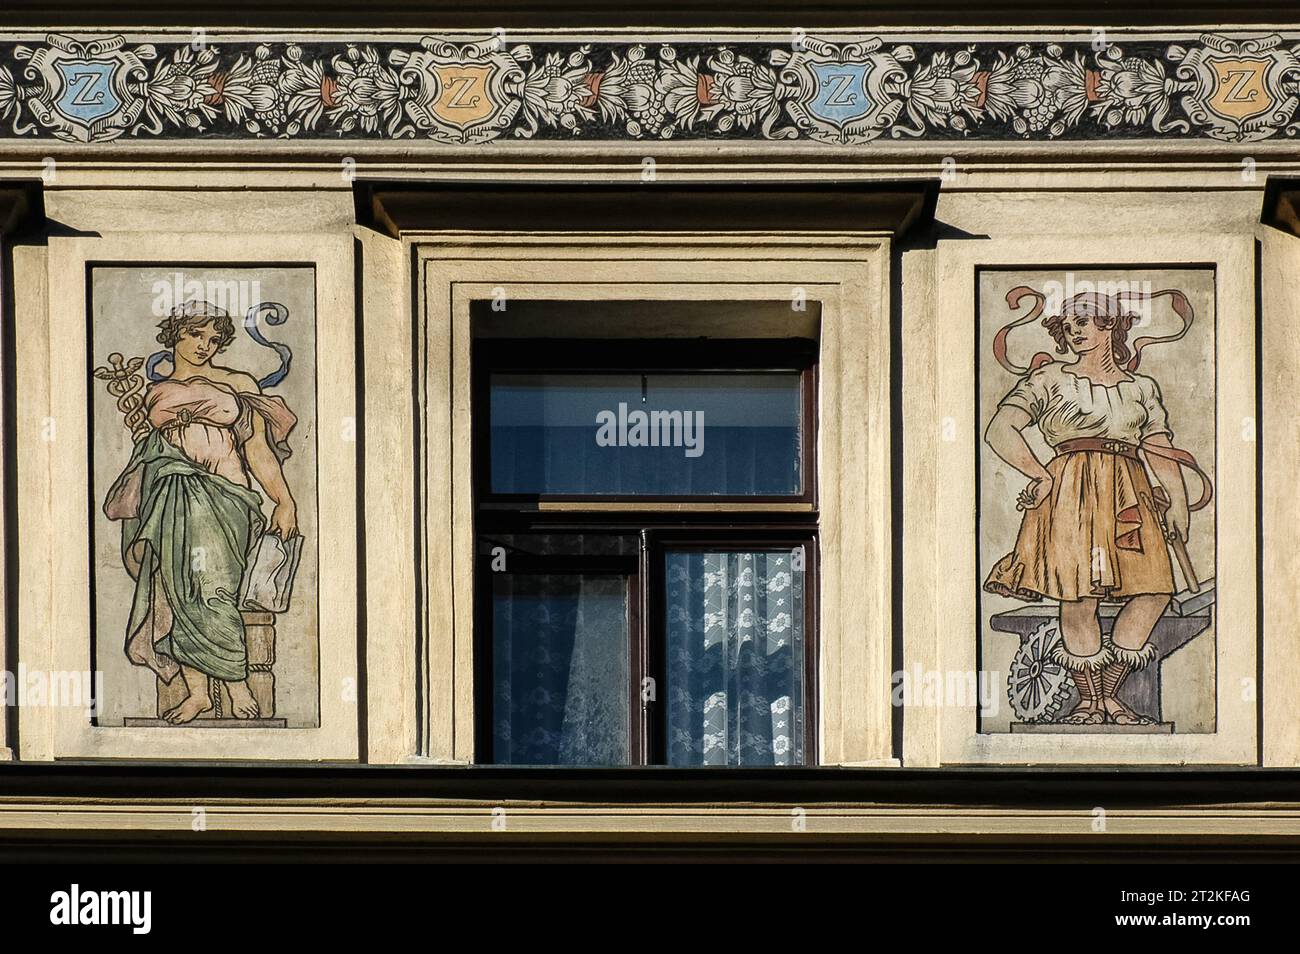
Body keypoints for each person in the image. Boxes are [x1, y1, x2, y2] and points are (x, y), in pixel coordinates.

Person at [983, 290, 1200, 726]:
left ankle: (1109, 695)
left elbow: (1159, 448)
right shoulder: (1049, 381)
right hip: (1072, 493)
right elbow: (1000, 429)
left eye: (1084, 322)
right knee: (1078, 596)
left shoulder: (1140, 387)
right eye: (1069, 326)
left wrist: (1178, 503)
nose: (1075, 332)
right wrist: (1040, 474)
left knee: (1155, 590)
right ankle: (1093, 704)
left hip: (1129, 493)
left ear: (1110, 326)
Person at [104, 300, 298, 724]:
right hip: (171, 495)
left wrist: (284, 500)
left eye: (213, 339)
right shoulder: (153, 389)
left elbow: (257, 449)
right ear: (175, 334)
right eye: (195, 334)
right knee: (176, 589)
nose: (204, 346)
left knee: (214, 587)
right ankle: (198, 693)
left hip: (226, 498)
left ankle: (235, 683)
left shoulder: (238, 383)